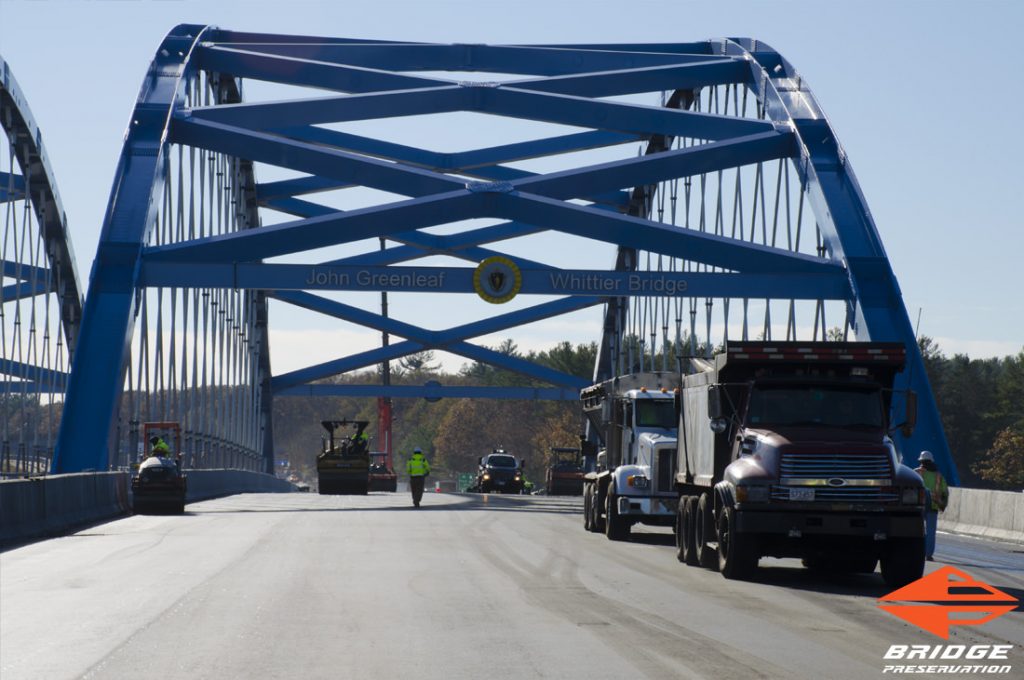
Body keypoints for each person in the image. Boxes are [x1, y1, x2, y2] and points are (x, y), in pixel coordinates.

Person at [915, 450, 948, 561]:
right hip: (933, 506)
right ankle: (928, 554)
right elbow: (945, 492)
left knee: (917, 530)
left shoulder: (916, 472)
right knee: (930, 532)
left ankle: (917, 551)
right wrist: (943, 505)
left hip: (918, 505)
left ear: (921, 461)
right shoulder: (938, 476)